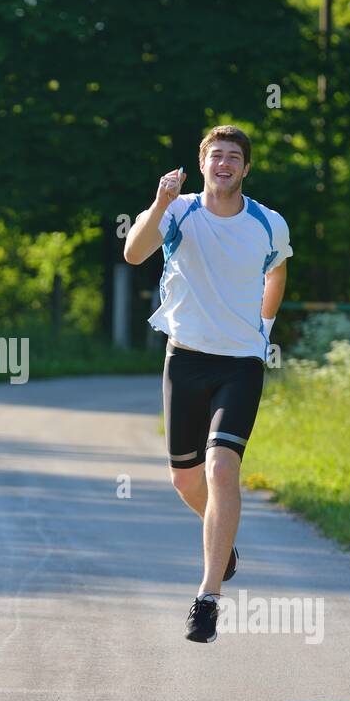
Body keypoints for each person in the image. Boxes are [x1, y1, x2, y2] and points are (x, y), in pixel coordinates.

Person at [122, 125, 291, 643]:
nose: (224, 163)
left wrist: (264, 328)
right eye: (216, 155)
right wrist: (158, 202)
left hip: (240, 363)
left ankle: (207, 597)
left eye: (233, 157)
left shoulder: (268, 222)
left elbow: (278, 271)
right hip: (186, 360)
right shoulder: (178, 210)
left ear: (245, 167)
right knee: (185, 480)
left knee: (221, 467)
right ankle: (226, 543)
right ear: (202, 163)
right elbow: (133, 253)